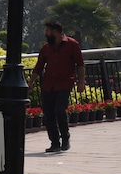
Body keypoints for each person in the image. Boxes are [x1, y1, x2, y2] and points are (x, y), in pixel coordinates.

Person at [29, 20, 86, 153]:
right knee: (48, 115)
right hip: (48, 85)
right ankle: (54, 143)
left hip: (65, 83)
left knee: (60, 110)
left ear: (55, 31)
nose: (45, 34)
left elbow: (80, 64)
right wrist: (31, 82)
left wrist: (81, 82)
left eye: (47, 31)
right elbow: (39, 67)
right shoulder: (46, 48)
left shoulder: (72, 45)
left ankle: (65, 139)